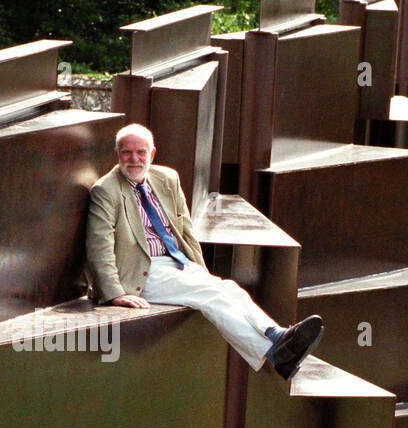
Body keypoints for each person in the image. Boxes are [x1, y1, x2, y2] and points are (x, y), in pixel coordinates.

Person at [85, 122, 323, 379]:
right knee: (213, 296)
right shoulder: (105, 190)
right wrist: (114, 293)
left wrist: (199, 271)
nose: (134, 159)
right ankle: (276, 353)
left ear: (152, 154)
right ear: (116, 154)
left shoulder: (166, 178)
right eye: (126, 153)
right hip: (140, 272)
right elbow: (99, 246)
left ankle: (276, 336)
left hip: (175, 262)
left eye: (140, 152)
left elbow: (185, 231)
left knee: (228, 288)